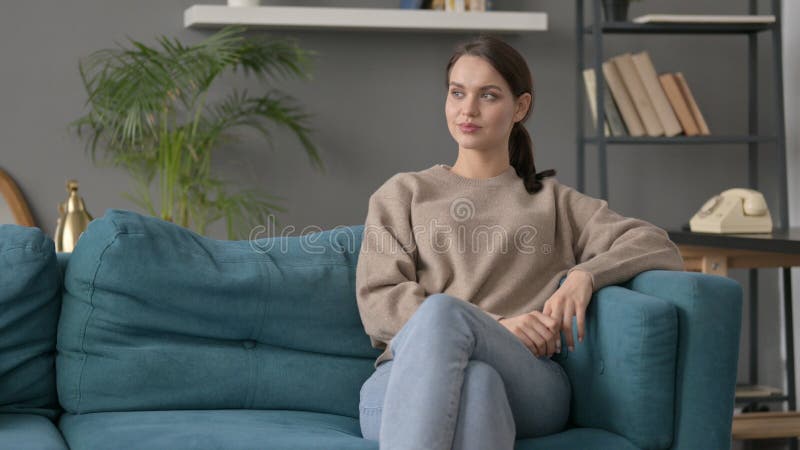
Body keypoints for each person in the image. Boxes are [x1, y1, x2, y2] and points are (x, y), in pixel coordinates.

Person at [354, 33, 685, 450]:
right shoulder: (403, 193)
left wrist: (586, 275)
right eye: (458, 93)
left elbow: (656, 244)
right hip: (402, 378)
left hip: (528, 381)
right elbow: (379, 304)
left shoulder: (552, 202)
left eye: (488, 95)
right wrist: (497, 327)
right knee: (475, 381)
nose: (467, 110)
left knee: (447, 320)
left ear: (520, 107)